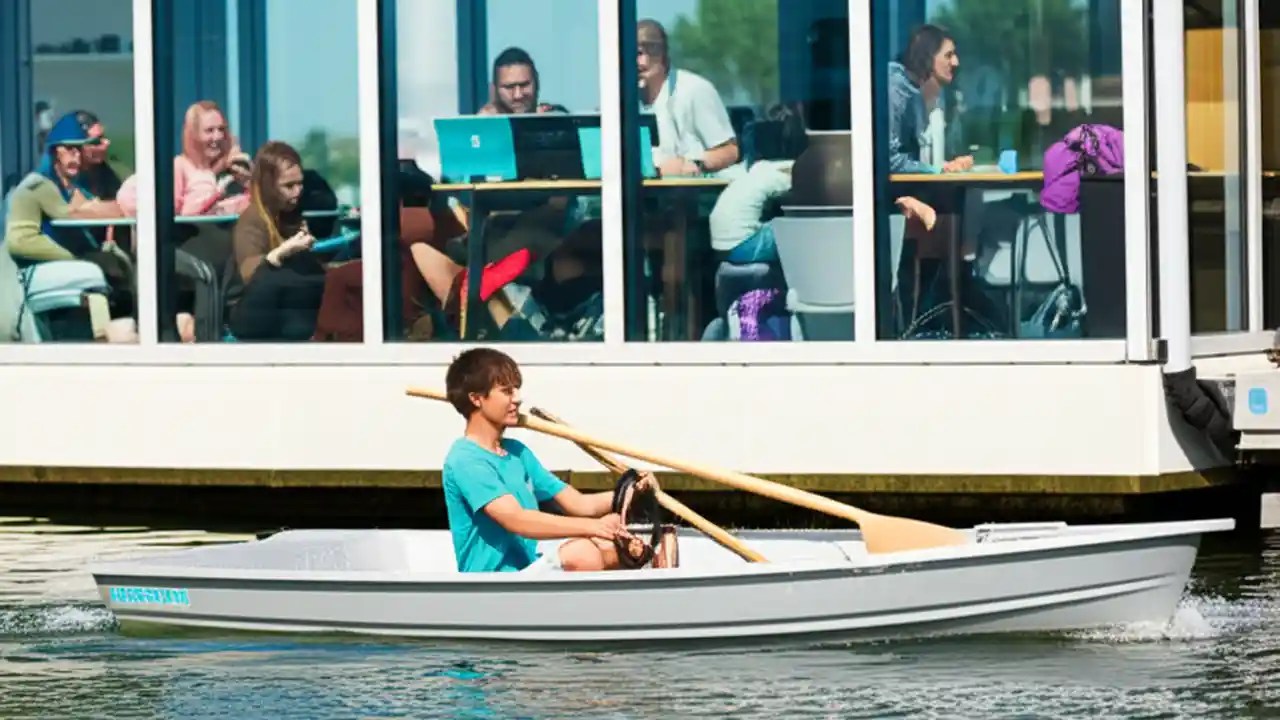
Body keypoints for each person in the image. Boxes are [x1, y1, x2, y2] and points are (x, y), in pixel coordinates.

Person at [442, 347, 660, 573]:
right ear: (476, 399)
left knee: (614, 550)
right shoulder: (465, 460)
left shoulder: (517, 452)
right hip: (494, 581)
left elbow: (580, 504)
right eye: (507, 391)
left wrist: (631, 491)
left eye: (516, 390)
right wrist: (593, 527)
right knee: (582, 552)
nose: (517, 399)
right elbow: (516, 519)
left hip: (527, 571)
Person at [227, 141, 326, 341]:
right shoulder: (252, 220)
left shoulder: (290, 216)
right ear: (270, 186)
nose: (297, 191)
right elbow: (252, 275)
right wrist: (283, 252)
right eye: (289, 186)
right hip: (249, 312)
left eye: (300, 184)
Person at [636, 18, 740, 178]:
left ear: (663, 55)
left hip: (693, 189)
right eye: (631, 54)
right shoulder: (620, 98)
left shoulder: (694, 89)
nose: (639, 62)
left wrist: (692, 164)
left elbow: (730, 151)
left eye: (645, 52)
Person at [478, 47, 567, 115]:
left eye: (524, 85)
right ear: (493, 90)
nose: (518, 95)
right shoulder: (482, 126)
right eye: (509, 87)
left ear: (537, 83)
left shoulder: (556, 120)